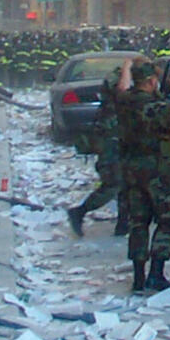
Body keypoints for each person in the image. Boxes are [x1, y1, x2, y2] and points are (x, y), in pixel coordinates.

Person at [115, 56, 170, 293]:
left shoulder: (125, 102)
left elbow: (125, 90)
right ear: (150, 81)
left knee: (138, 221)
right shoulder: (155, 107)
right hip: (157, 170)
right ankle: (156, 273)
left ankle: (138, 277)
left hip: (132, 170)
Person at [67, 62, 129, 238]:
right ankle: (79, 212)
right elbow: (123, 89)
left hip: (117, 146)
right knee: (114, 185)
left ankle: (124, 224)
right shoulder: (113, 104)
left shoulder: (113, 104)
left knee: (125, 184)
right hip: (111, 148)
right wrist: (127, 67)